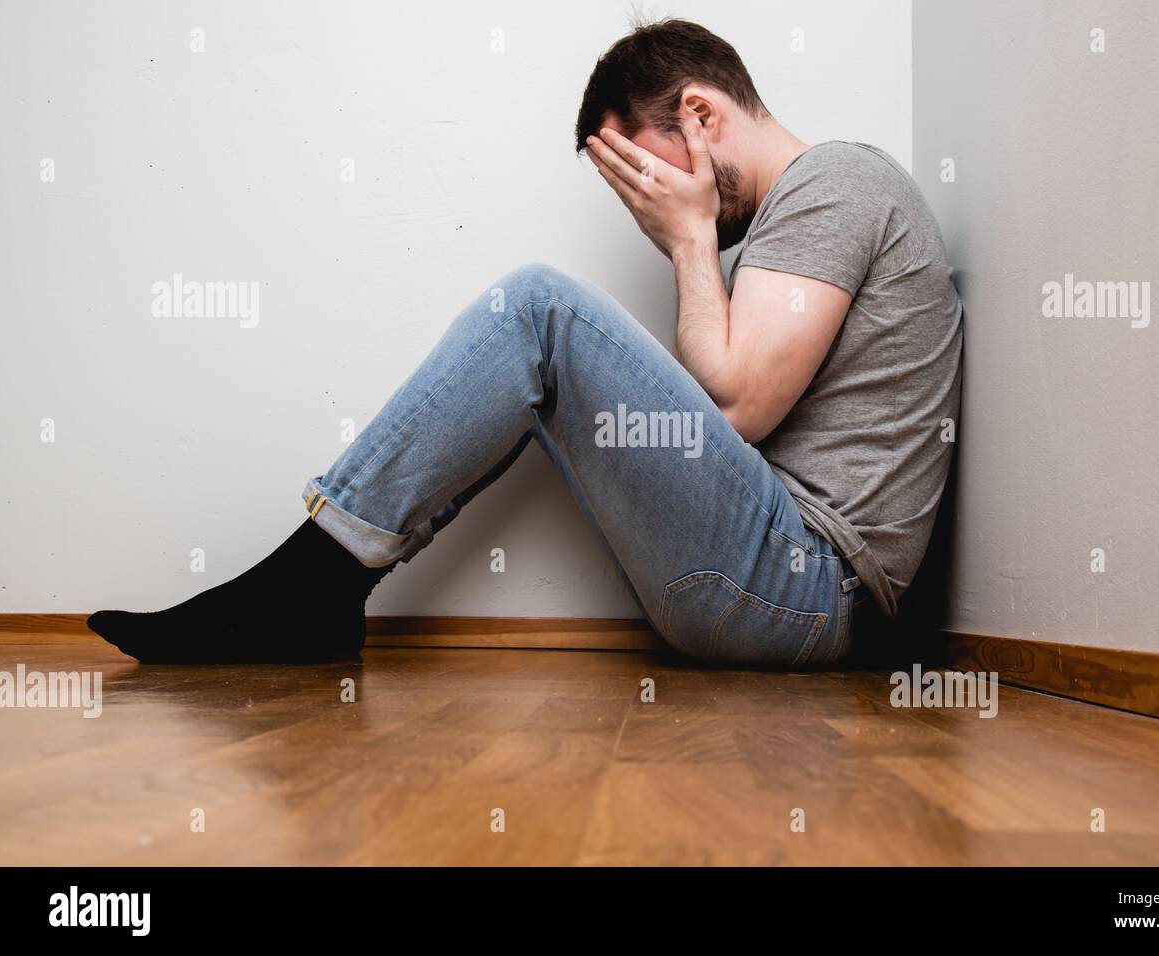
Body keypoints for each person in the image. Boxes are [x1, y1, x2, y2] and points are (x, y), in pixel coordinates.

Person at [88, 19, 963, 667]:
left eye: (641, 168)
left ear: (700, 115)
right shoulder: (796, 219)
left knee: (538, 308)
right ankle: (312, 589)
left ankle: (306, 591)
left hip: (809, 589)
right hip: (774, 586)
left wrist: (693, 242)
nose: (645, 205)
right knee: (541, 344)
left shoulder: (837, 181)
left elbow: (737, 407)